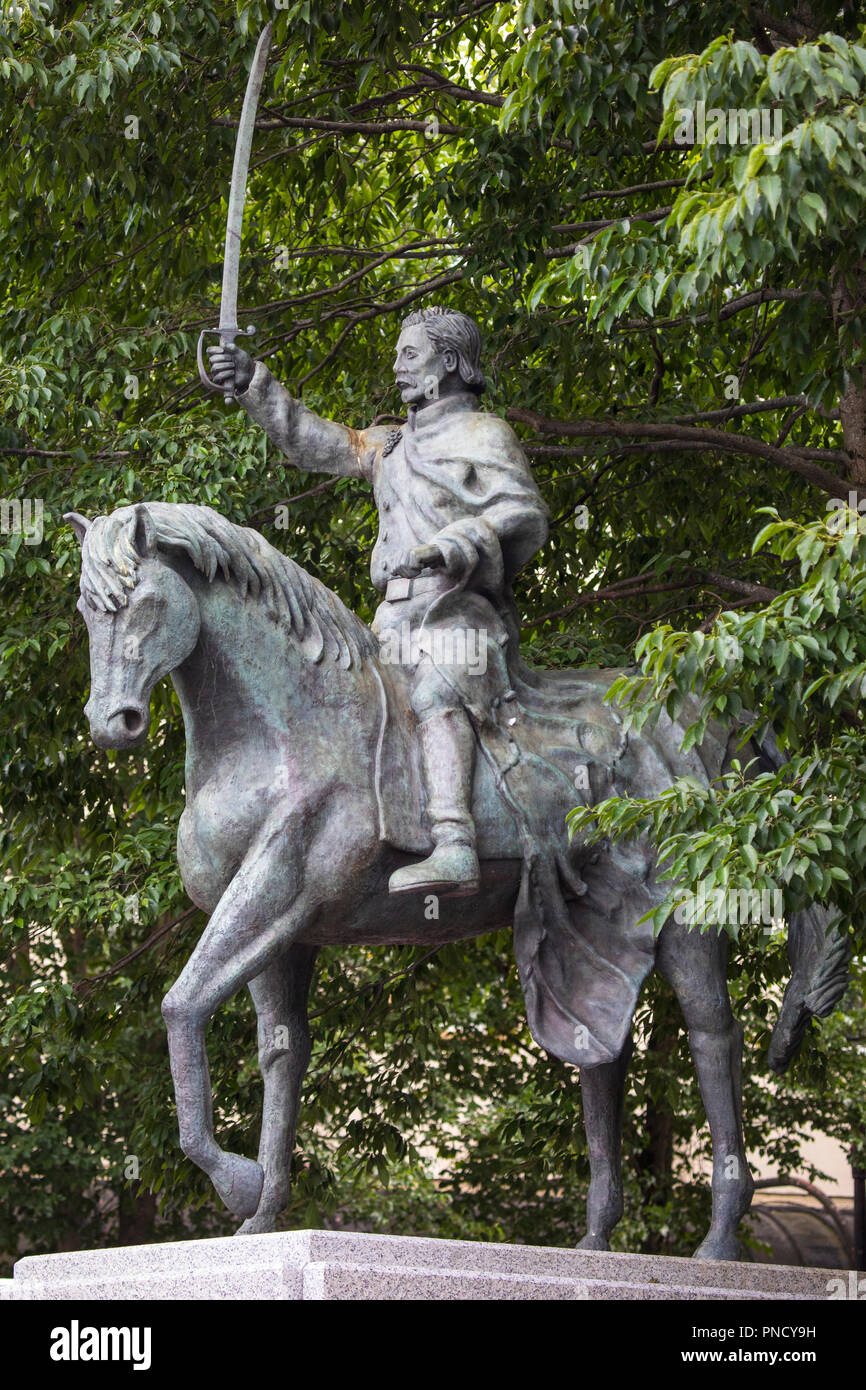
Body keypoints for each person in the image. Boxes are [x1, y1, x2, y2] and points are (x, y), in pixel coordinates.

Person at [207, 306, 549, 896]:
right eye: (396, 356)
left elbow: (523, 514)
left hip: (457, 614)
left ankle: (455, 845)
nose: (396, 368)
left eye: (408, 356)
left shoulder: (485, 434)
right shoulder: (388, 445)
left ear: (448, 362)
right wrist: (250, 382)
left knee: (438, 689)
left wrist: (457, 542)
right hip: (390, 620)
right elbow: (313, 439)